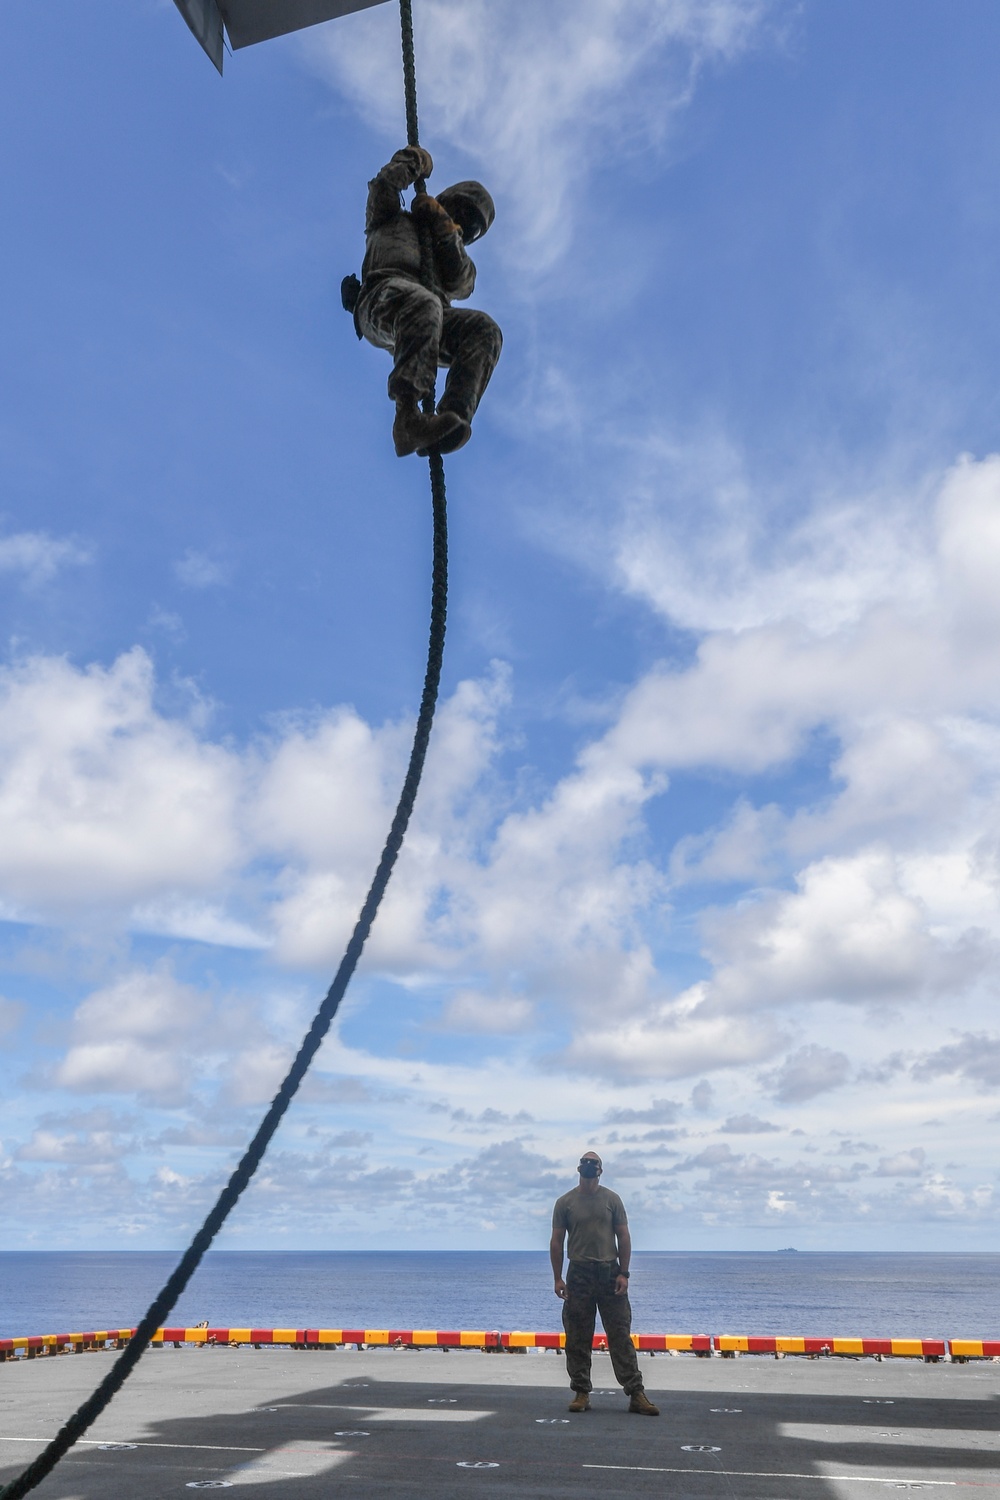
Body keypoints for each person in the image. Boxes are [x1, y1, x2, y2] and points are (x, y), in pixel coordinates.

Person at [351, 144, 502, 459]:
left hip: (428, 320)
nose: (462, 224)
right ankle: (406, 416)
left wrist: (444, 230)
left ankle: (452, 418)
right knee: (425, 303)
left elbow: (462, 283)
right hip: (383, 300)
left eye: (469, 228)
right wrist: (415, 162)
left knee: (484, 328)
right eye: (458, 212)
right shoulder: (390, 219)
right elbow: (384, 186)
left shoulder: (454, 263)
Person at [550, 1151, 659, 1416]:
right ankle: (581, 1392)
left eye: (594, 1164)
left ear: (600, 1171)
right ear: (579, 1169)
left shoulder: (612, 1200)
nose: (589, 1167)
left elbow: (624, 1237)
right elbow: (556, 1242)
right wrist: (558, 1278)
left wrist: (624, 1273)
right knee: (577, 1336)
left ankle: (636, 1394)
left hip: (609, 1273)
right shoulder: (565, 1202)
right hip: (579, 1274)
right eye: (585, 1163)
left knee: (620, 1335)